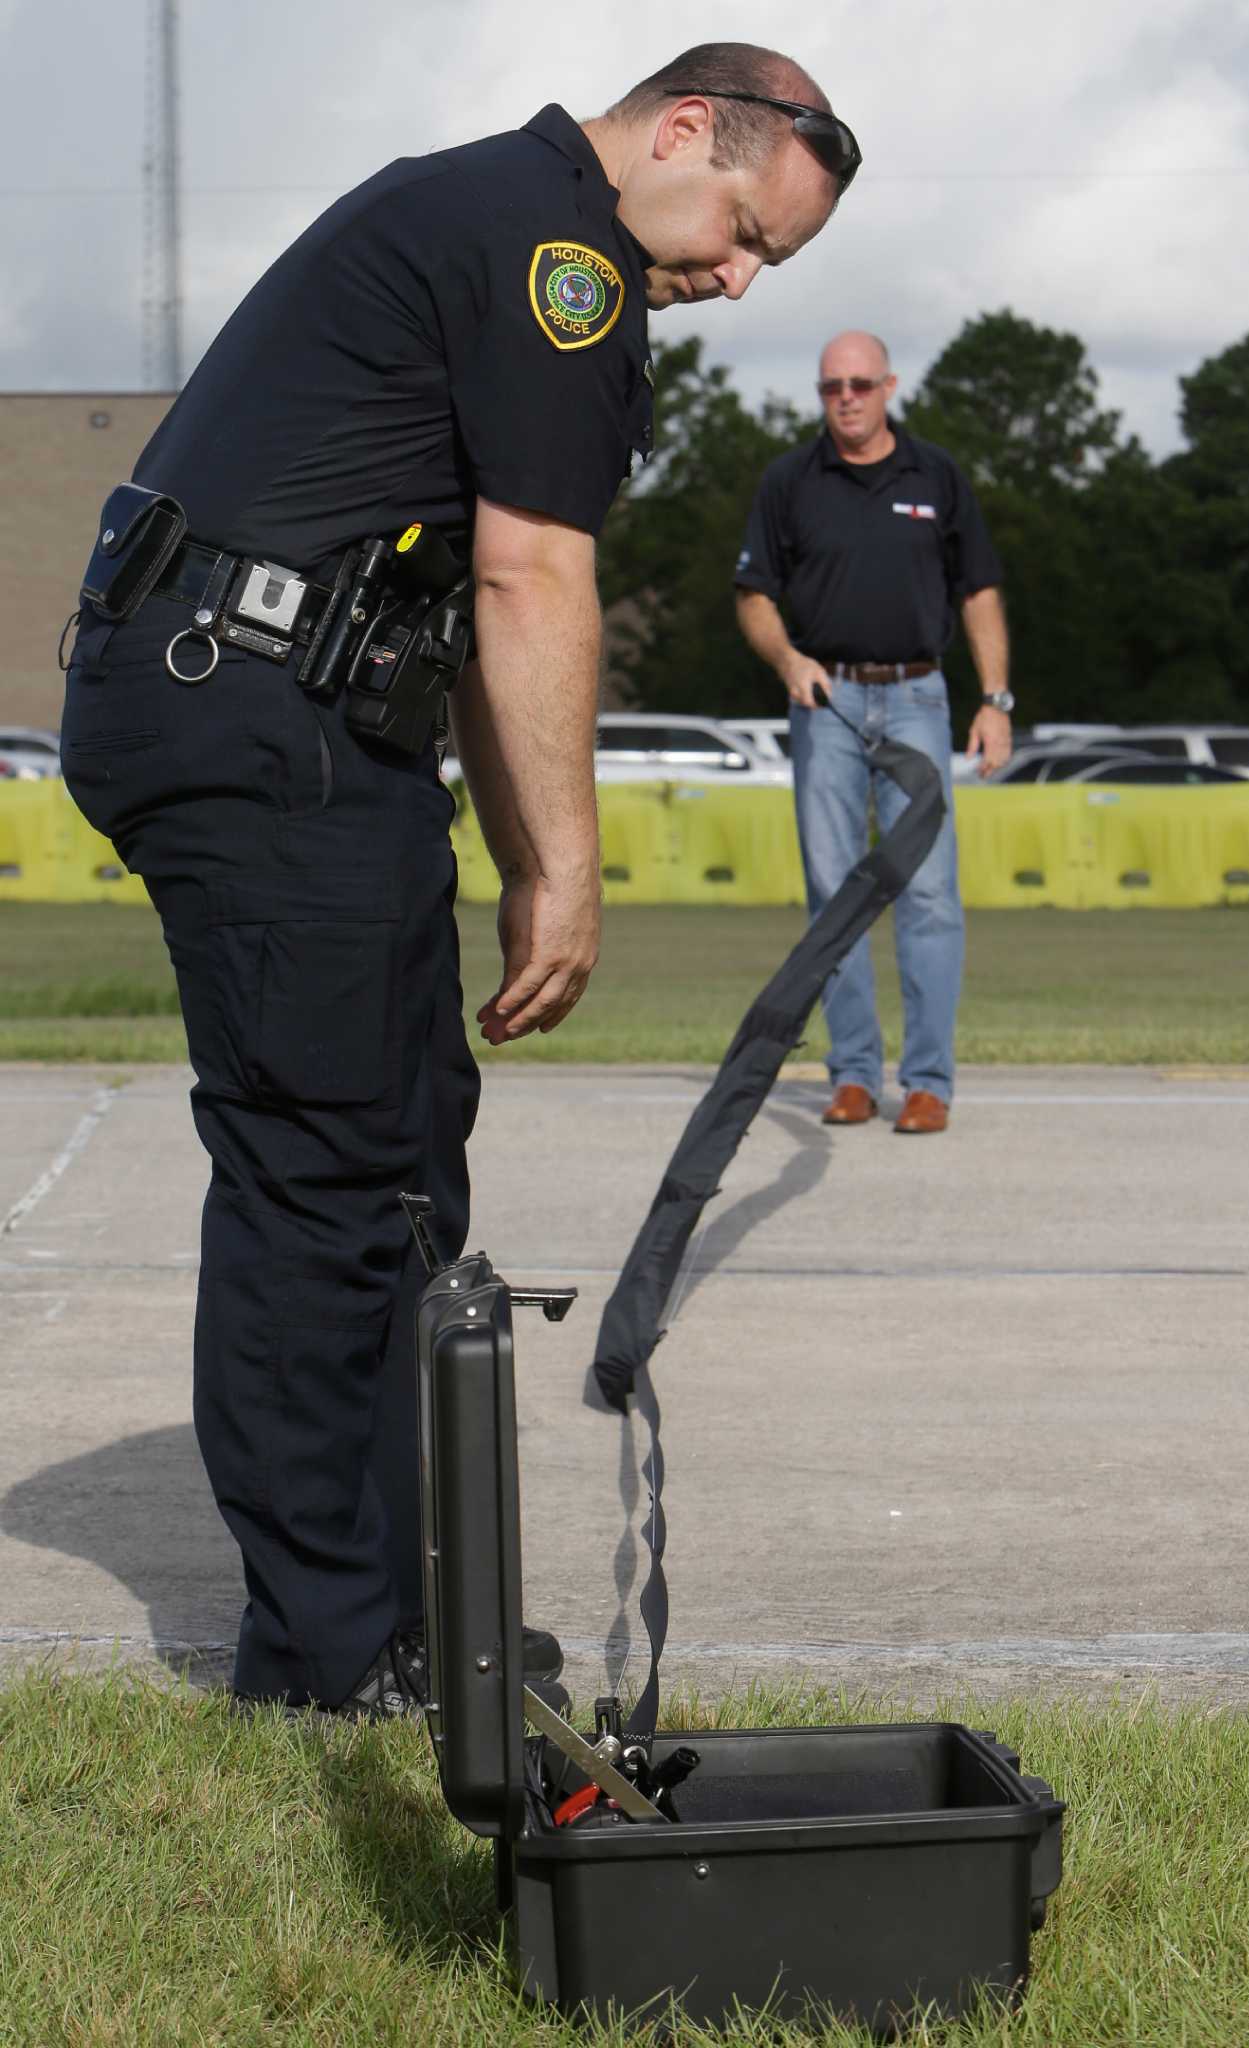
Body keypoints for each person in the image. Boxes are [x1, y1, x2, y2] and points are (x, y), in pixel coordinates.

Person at [60, 47, 856, 1718]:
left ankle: (423, 1622)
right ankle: (326, 1653)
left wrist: (518, 855)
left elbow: (480, 619)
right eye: (737, 231)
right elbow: (531, 574)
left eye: (764, 266)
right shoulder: (549, 255)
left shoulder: (513, 229)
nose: (728, 276)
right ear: (687, 128)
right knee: (326, 1176)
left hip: (319, 717)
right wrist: (562, 868)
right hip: (253, 707)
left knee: (406, 1165)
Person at [734, 330, 1011, 1133]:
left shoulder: (936, 475)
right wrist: (786, 659)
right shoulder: (789, 480)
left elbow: (980, 590)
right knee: (834, 895)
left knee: (926, 892)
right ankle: (852, 1073)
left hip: (919, 695)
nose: (845, 398)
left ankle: (927, 1083)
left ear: (888, 385)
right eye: (830, 387)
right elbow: (752, 592)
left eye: (859, 383)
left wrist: (995, 700)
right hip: (826, 700)